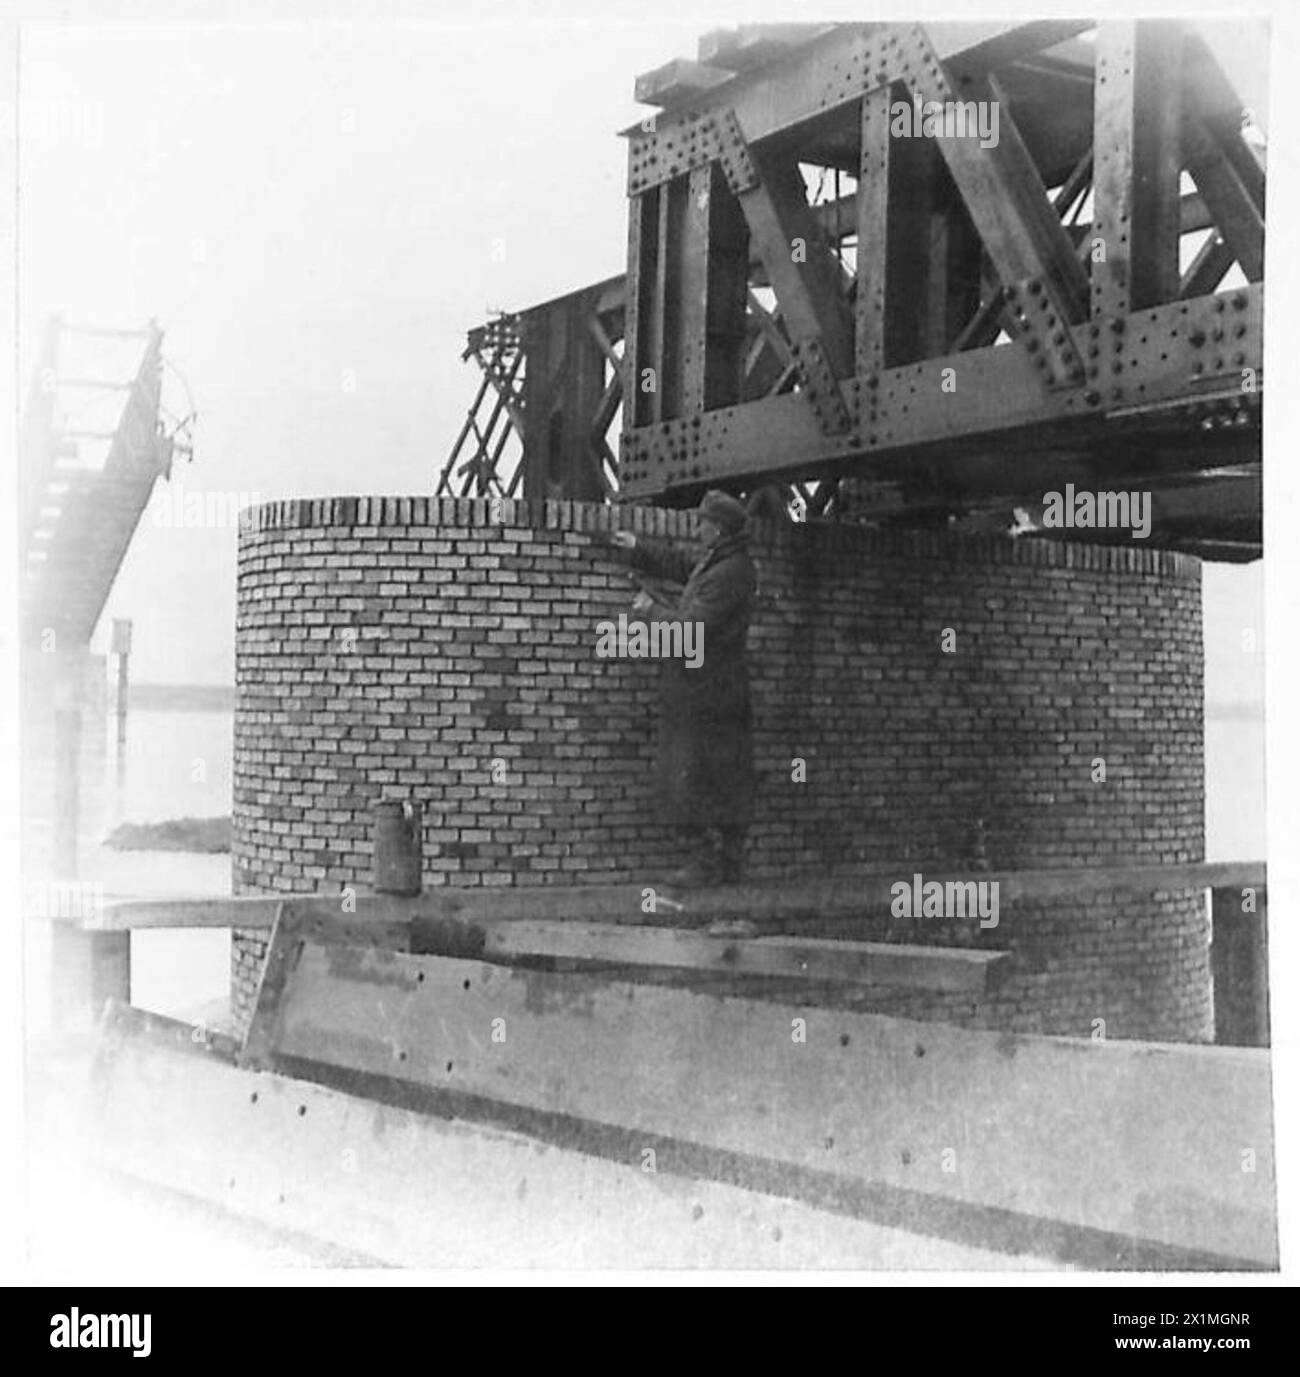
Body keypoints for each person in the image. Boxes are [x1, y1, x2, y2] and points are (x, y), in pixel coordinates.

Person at [607, 490, 756, 887]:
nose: (697, 528)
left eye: (702, 523)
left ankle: (706, 865)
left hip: (707, 695)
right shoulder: (722, 562)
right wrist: (640, 548)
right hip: (711, 692)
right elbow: (685, 568)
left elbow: (689, 632)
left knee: (697, 779)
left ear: (718, 528)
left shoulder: (729, 572)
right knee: (716, 780)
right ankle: (725, 865)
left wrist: (649, 610)